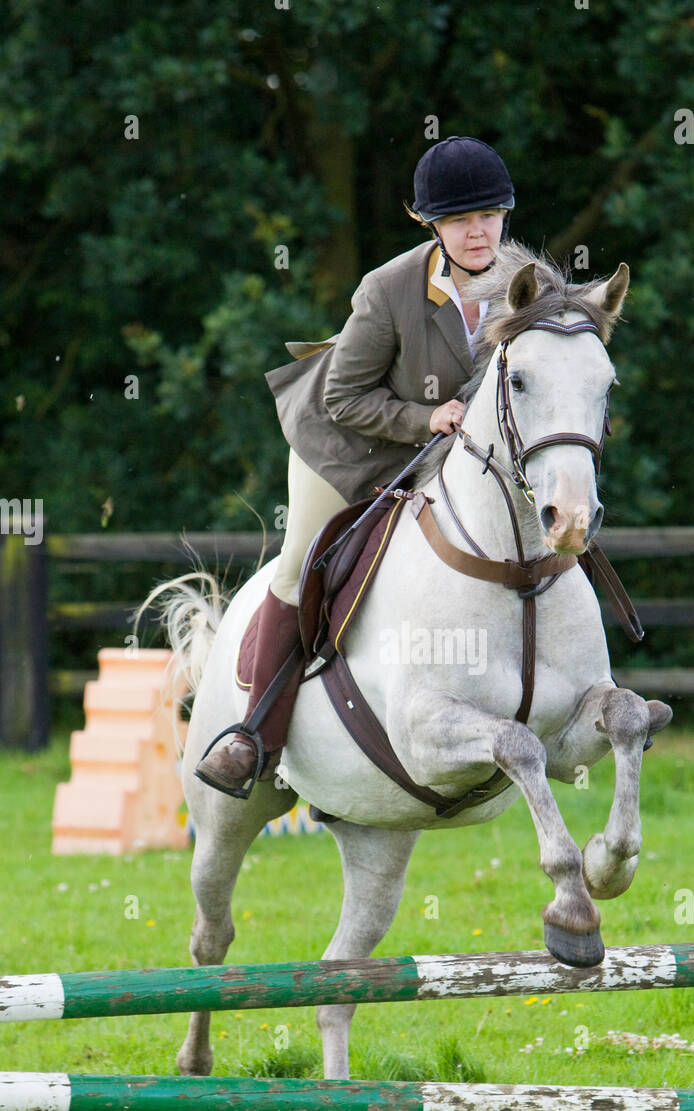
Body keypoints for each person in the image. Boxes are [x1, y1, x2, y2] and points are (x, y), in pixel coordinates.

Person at [196, 135, 515, 796]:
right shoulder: (389, 289)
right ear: (431, 224)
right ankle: (252, 735)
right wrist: (423, 419)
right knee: (298, 569)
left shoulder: (521, 284)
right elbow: (343, 397)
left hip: (449, 454)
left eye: (489, 215)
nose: (478, 231)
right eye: (460, 220)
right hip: (345, 445)